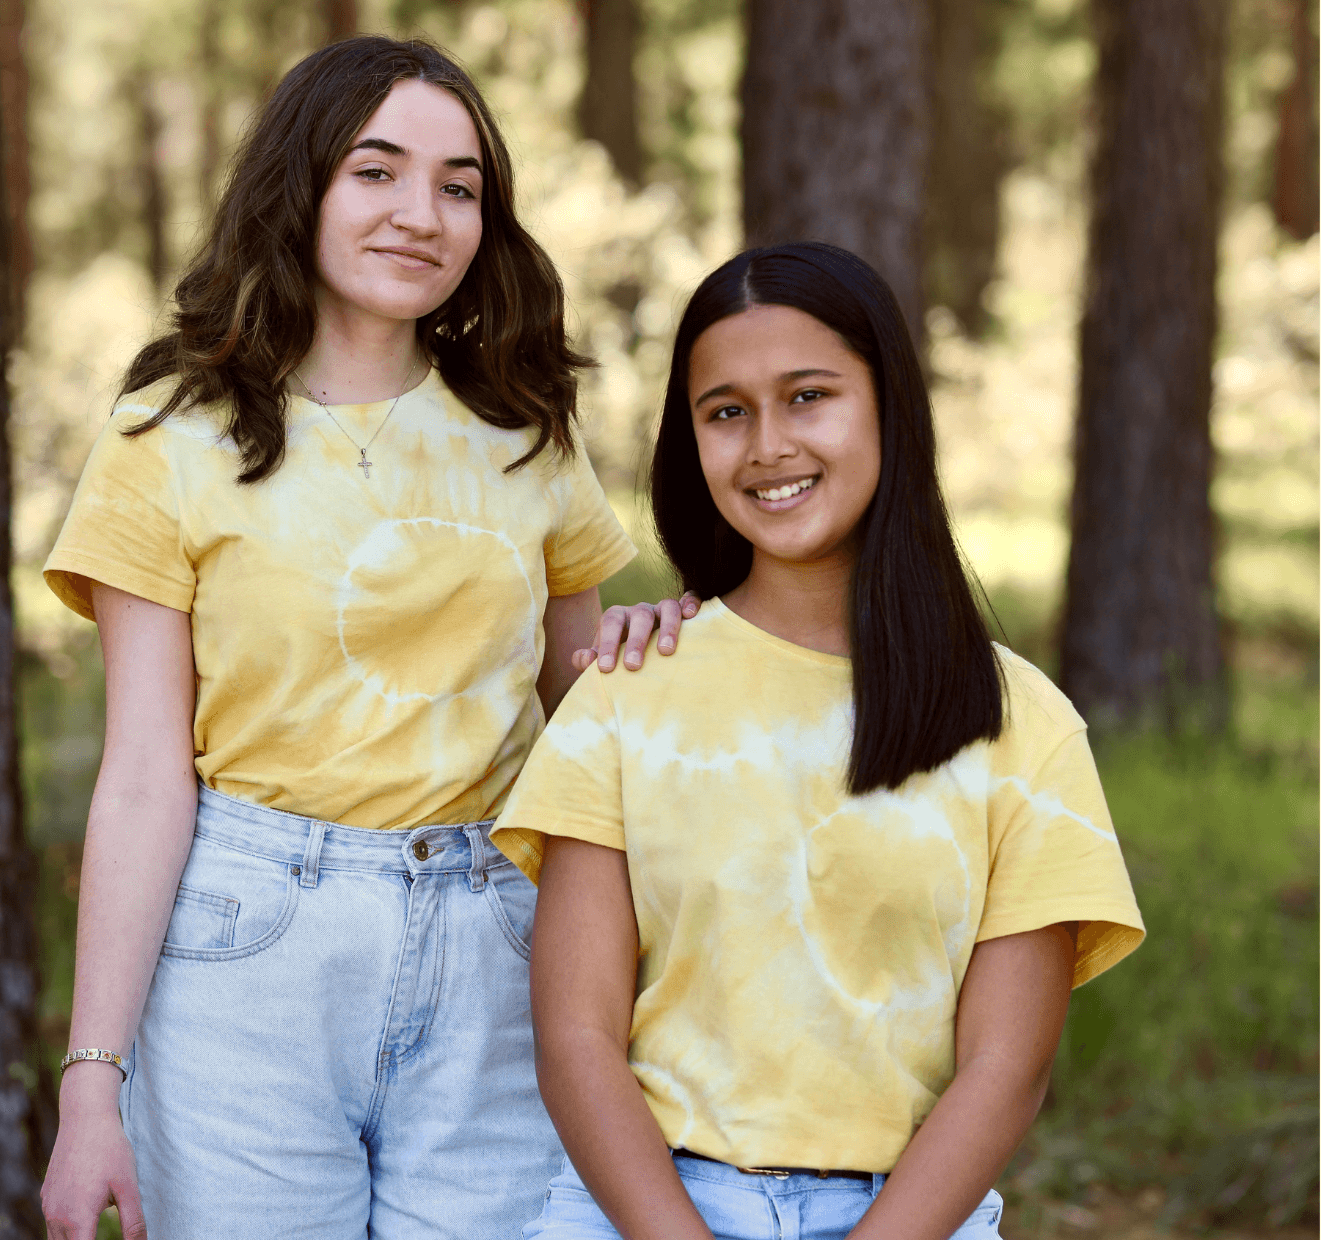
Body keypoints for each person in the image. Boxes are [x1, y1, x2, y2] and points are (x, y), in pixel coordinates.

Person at [37, 35, 693, 1240]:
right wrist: (92, 1085)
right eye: (376, 171)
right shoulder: (167, 431)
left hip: (498, 942)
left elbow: (583, 722)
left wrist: (653, 642)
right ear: (302, 187)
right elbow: (140, 778)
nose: (421, 215)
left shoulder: (524, 428)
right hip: (247, 950)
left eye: (458, 186)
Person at [491, 242, 1146, 1240]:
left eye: (807, 396)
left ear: (889, 406)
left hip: (910, 1216)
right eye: (725, 411)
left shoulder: (1019, 721)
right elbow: (576, 1034)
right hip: (641, 1210)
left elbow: (1003, 1067)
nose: (766, 445)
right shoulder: (625, 695)